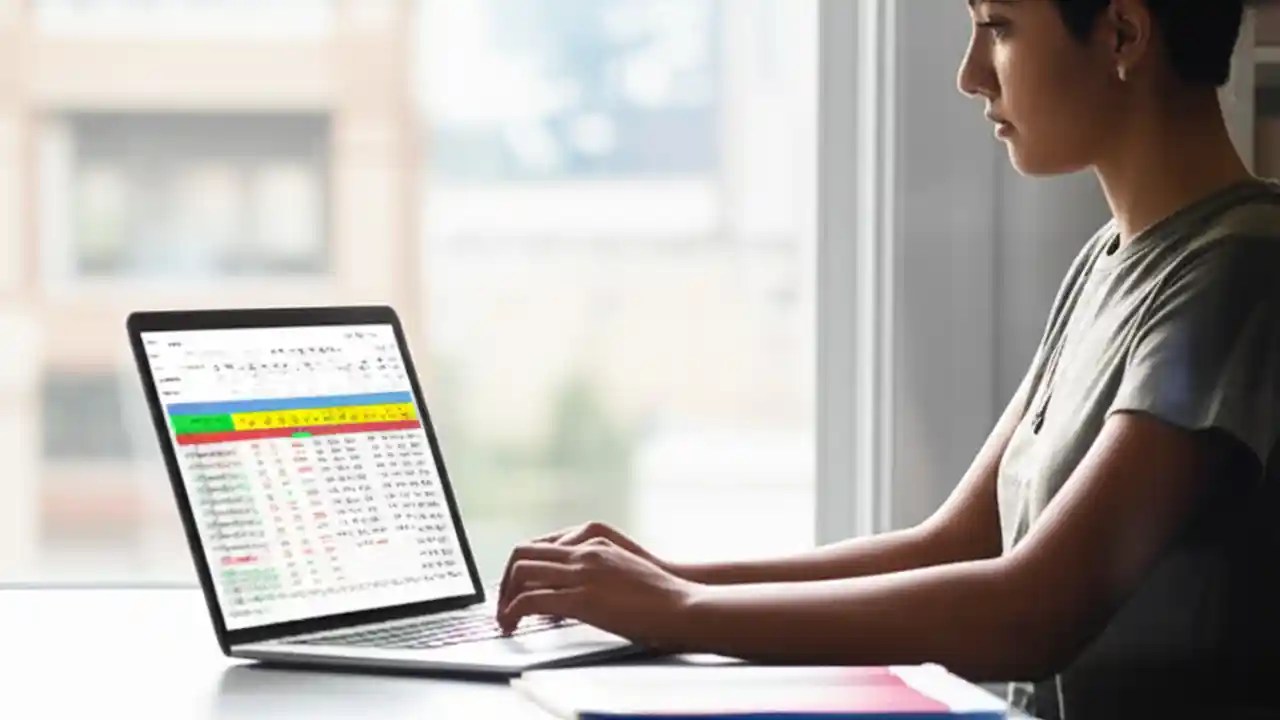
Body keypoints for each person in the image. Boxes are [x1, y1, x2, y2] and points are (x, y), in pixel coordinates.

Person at [494, 1, 1280, 717]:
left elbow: (1035, 608)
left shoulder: (1238, 270)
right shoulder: (1108, 260)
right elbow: (954, 545)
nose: (971, 75)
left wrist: (680, 611)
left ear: (1123, 34)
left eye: (999, 27)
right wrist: (673, 577)